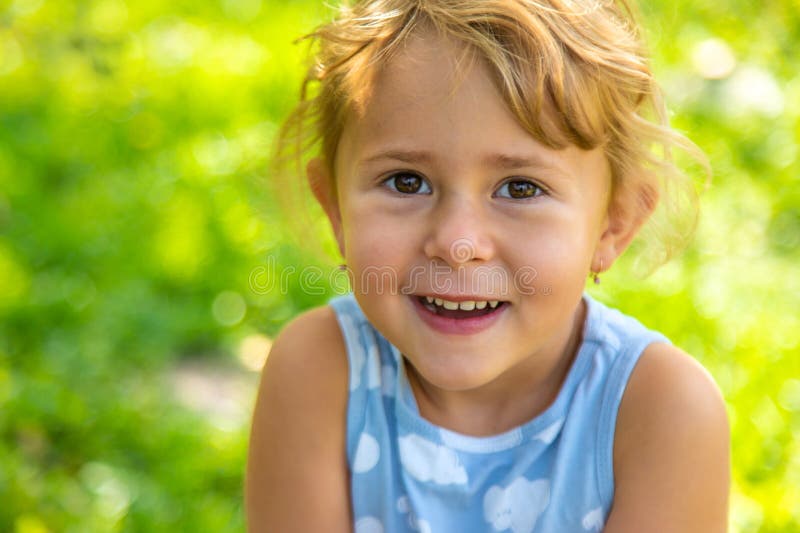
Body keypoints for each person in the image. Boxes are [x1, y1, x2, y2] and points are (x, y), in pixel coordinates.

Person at [245, 1, 730, 531]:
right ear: (336, 209)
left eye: (520, 188)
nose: (456, 243)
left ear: (612, 225)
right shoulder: (320, 374)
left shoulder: (659, 415)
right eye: (407, 181)